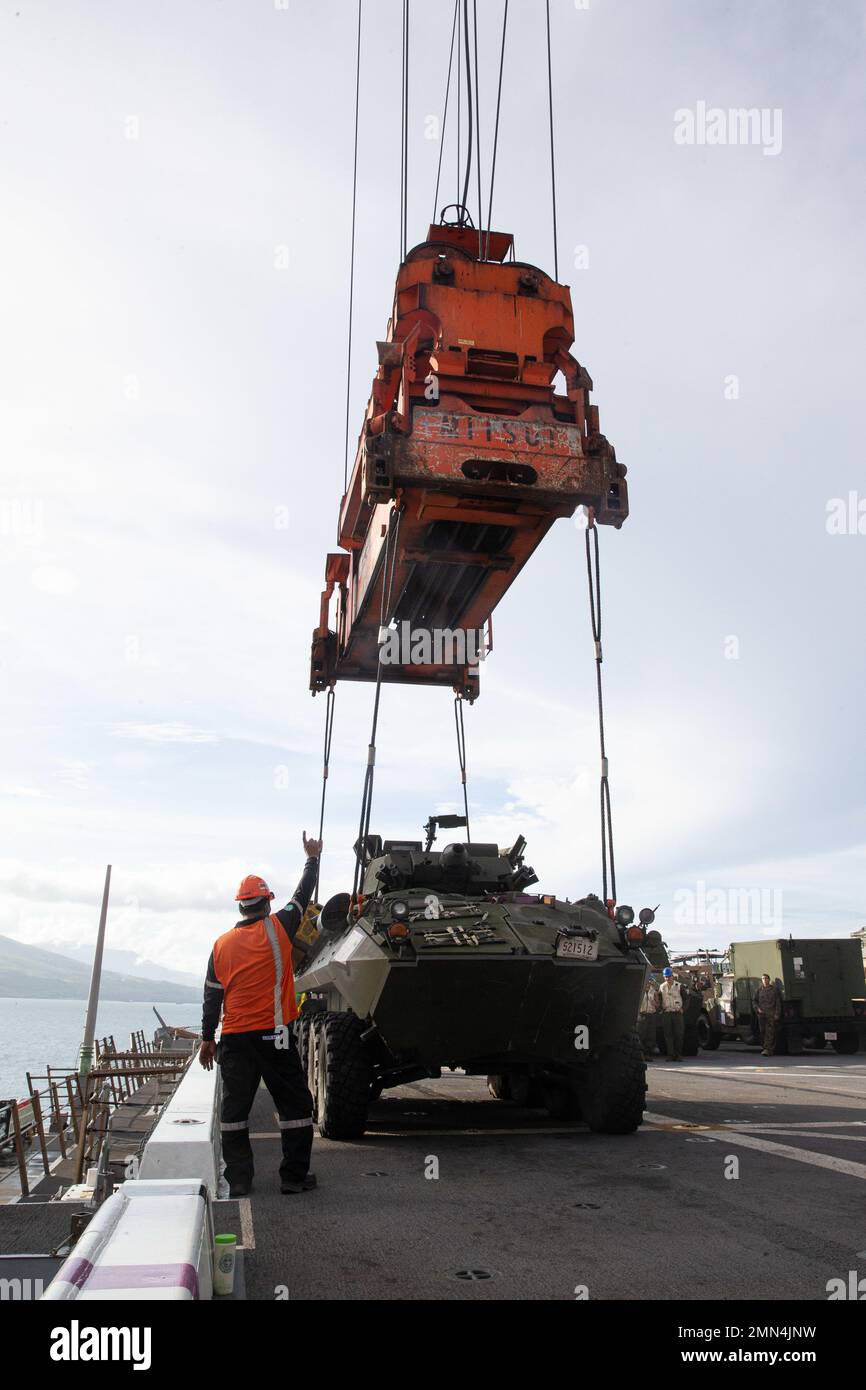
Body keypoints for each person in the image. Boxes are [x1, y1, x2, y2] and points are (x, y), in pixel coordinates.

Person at [199, 832, 322, 1197]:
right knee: (296, 1107)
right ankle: (293, 1178)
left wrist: (208, 1039)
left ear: (240, 906)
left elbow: (211, 996)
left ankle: (239, 1181)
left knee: (235, 1113)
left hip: (234, 1039)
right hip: (274, 1035)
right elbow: (302, 897)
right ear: (267, 902)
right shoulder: (279, 927)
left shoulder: (220, 945)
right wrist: (312, 858)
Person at [659, 966, 687, 1062]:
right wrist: (660, 1008)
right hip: (667, 1013)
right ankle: (670, 1055)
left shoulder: (679, 986)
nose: (668, 978)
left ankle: (678, 1055)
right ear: (664, 977)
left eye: (669, 976)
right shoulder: (662, 987)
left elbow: (686, 998)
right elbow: (659, 998)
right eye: (666, 977)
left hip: (677, 1013)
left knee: (678, 1034)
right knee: (668, 1035)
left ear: (672, 976)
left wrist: (683, 1009)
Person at [755, 973, 782, 1056]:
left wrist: (777, 1013)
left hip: (771, 1014)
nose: (764, 980)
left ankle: (768, 1049)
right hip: (762, 1015)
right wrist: (757, 1008)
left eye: (766, 978)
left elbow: (778, 1003)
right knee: (762, 1032)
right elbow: (754, 1001)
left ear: (769, 980)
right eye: (763, 978)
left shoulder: (774, 990)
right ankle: (766, 1048)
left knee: (769, 1032)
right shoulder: (759, 990)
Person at [638, 975, 661, 1059]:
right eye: (647, 981)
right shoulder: (640, 990)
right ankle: (640, 1055)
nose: (648, 983)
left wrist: (655, 1004)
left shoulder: (654, 992)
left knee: (650, 1036)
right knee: (640, 1035)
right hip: (642, 1015)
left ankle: (647, 1054)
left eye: (650, 981)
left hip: (651, 1015)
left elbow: (658, 1004)